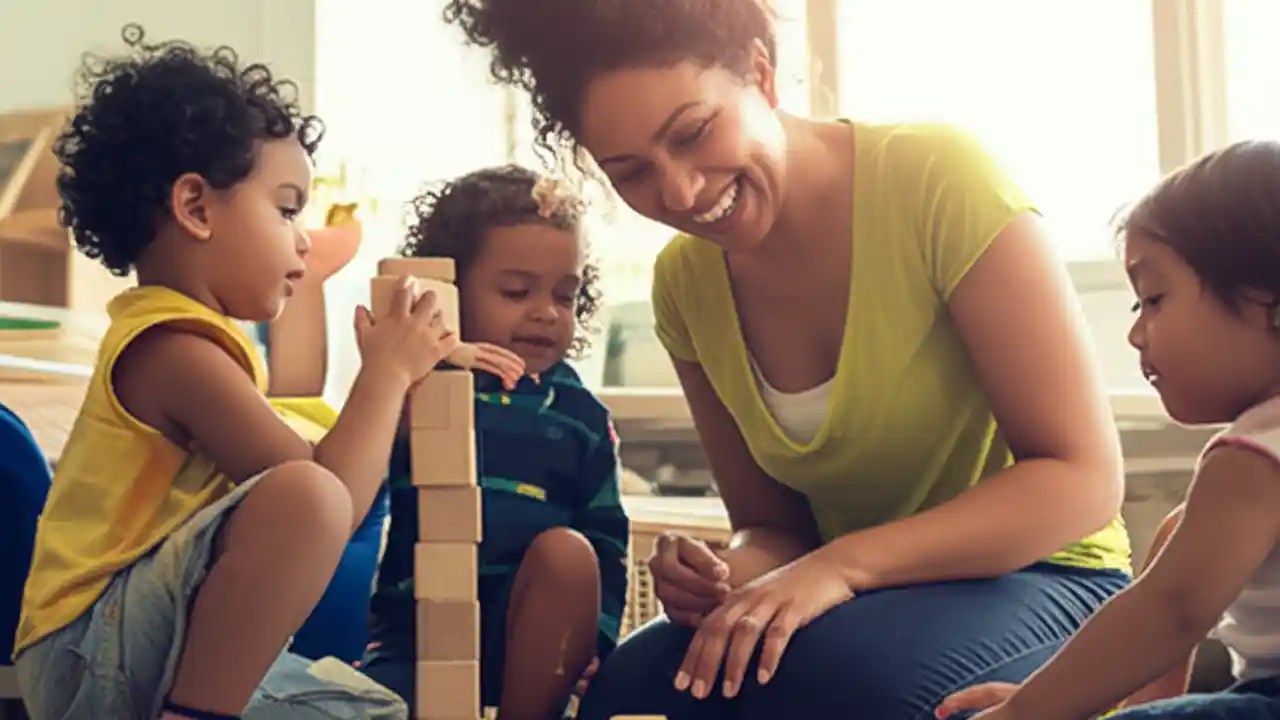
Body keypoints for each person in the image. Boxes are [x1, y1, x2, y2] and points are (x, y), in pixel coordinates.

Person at [443, 1, 1135, 717]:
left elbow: (1079, 479)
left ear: (761, 71)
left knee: (852, 692)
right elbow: (776, 529)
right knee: (633, 689)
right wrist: (722, 571)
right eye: (631, 172)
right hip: (852, 595)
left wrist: (841, 566)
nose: (679, 192)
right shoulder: (684, 283)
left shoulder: (941, 180)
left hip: (1049, 576)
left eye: (693, 133)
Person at [10, 25, 448, 720]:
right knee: (305, 495)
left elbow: (303, 404)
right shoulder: (172, 350)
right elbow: (329, 501)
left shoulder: (199, 337)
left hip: (140, 643)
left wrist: (388, 375)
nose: (301, 237)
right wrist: (384, 377)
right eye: (285, 209)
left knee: (373, 713)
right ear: (195, 208)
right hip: (89, 651)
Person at [935, 140, 1280, 719]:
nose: (1136, 335)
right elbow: (1176, 582)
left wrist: (1026, 714)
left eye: (1154, 299)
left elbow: (1171, 610)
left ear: (1265, 296)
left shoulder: (1253, 458)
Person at [360, 165, 631, 720]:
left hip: (532, 647)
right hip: (414, 635)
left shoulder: (581, 416)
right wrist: (418, 367)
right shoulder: (419, 388)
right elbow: (360, 478)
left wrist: (596, 643)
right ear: (453, 293)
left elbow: (607, 543)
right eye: (515, 290)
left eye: (565, 294)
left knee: (569, 553)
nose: (545, 311)